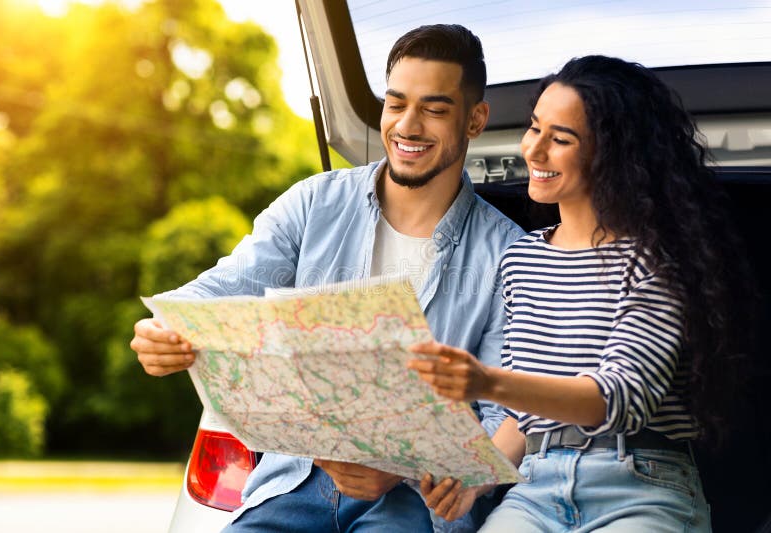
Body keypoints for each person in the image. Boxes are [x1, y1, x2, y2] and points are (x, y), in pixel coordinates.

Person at [130, 24, 524, 533]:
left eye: (434, 108)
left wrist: (407, 466)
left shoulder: (510, 254)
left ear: (475, 119)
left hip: (413, 509)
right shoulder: (313, 204)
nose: (407, 125)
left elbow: (507, 417)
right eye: (396, 102)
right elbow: (222, 288)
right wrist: (165, 327)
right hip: (292, 484)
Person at [408, 55, 755, 531]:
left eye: (561, 139)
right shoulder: (522, 259)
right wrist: (477, 476)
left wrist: (486, 382)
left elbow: (618, 399)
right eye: (534, 129)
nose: (534, 150)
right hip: (535, 488)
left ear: (612, 155)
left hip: (641, 487)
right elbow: (522, 410)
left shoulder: (656, 261)